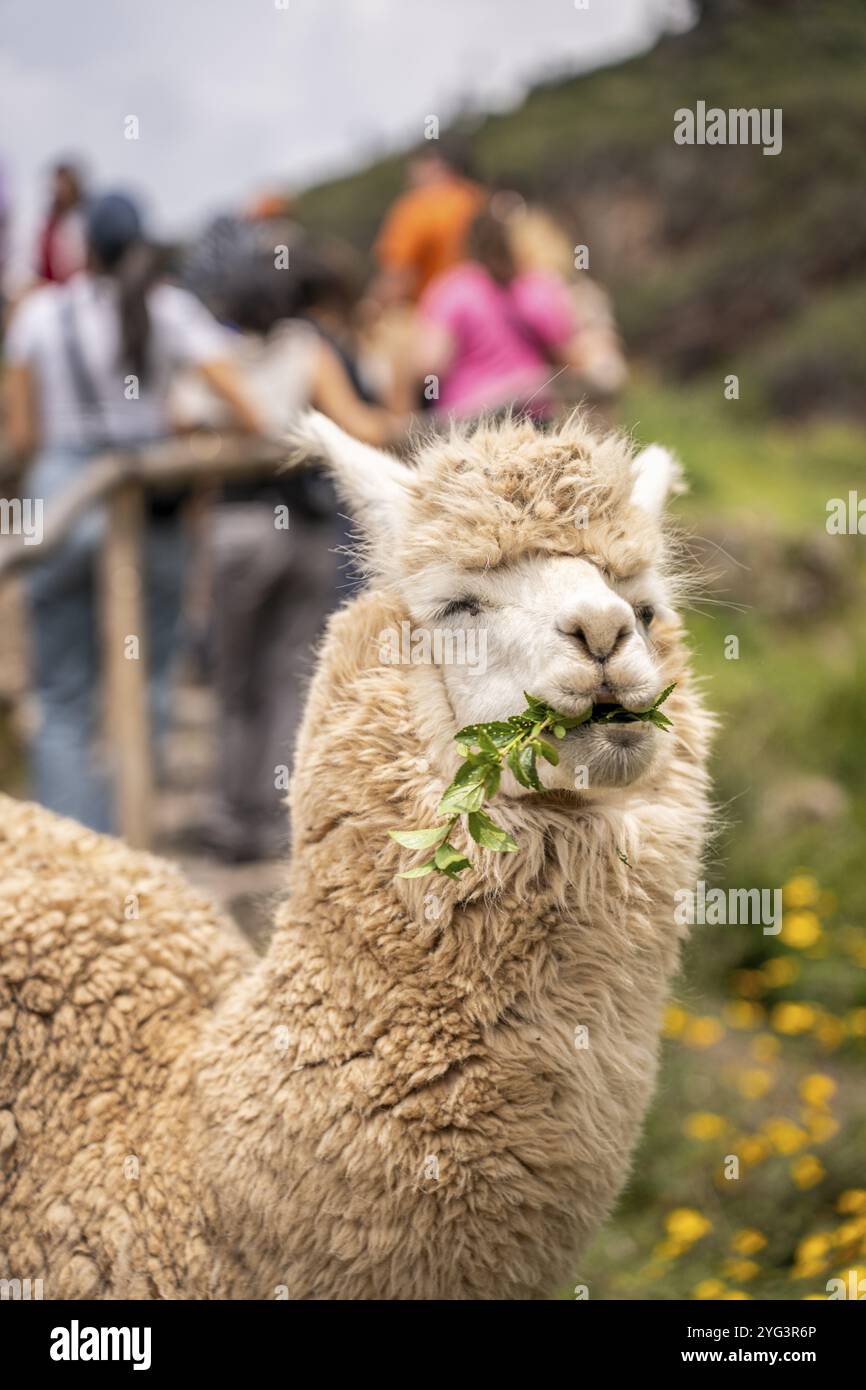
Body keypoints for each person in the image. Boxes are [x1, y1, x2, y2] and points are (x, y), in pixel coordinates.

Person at [4, 191, 261, 832]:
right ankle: (128, 834)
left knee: (63, 691)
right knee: (149, 673)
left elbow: (24, 434)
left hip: (61, 495)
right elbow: (247, 408)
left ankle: (68, 843)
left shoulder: (40, 314)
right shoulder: (168, 307)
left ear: (84, 248)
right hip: (148, 499)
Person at [171, 254, 408, 861]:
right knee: (287, 674)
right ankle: (280, 818)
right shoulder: (307, 348)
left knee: (233, 678)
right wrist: (406, 417)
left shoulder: (212, 359)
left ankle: (231, 815)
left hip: (236, 526)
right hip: (302, 527)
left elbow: (180, 423)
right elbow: (357, 424)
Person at [413, 199, 584, 421]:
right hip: (534, 411)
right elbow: (566, 355)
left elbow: (430, 364)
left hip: (471, 418)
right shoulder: (537, 287)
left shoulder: (454, 290)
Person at [371, 137, 485, 307]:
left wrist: (371, 307)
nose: (409, 174)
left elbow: (398, 276)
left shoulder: (416, 208)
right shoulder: (480, 199)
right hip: (490, 310)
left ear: (434, 164)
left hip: (439, 316)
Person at [35, 161, 88, 284]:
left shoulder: (83, 220)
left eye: (64, 184)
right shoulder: (49, 223)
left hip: (77, 285)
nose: (59, 188)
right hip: (50, 286)